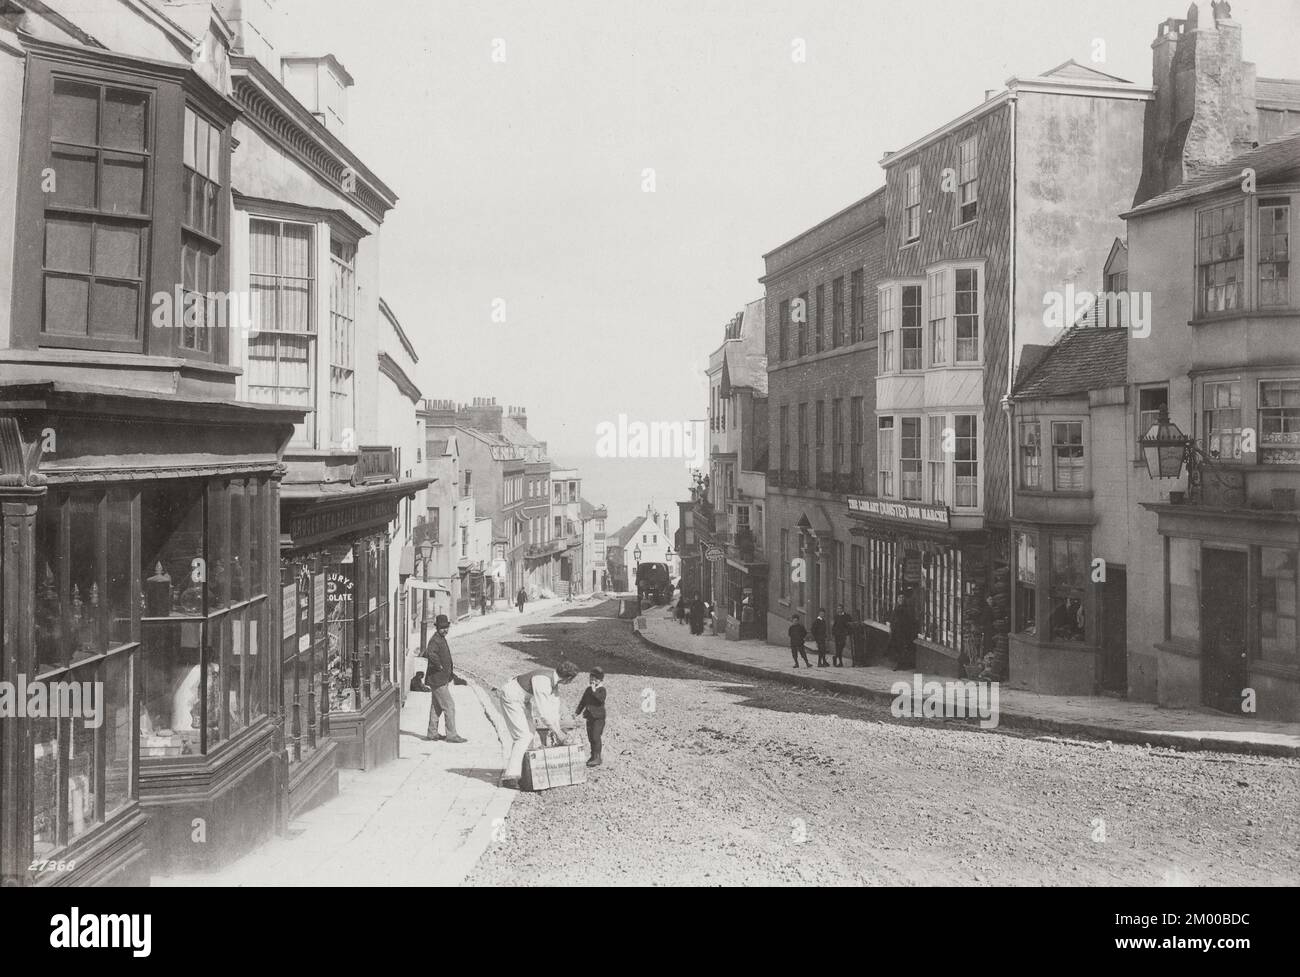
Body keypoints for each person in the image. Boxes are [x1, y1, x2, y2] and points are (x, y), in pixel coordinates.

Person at [495, 660, 580, 788]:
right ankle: (510, 777)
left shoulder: (553, 681)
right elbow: (544, 713)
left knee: (530, 733)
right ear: (568, 678)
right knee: (523, 736)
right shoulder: (543, 682)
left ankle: (524, 771)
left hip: (522, 700)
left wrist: (557, 730)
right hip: (511, 698)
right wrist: (559, 734)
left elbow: (554, 708)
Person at [425, 614, 468, 743]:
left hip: (440, 679)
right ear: (437, 627)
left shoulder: (441, 638)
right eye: (442, 627)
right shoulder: (435, 640)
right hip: (438, 680)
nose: (445, 630)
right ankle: (451, 735)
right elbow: (430, 653)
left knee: (436, 707)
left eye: (446, 627)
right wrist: (439, 665)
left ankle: (432, 733)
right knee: (449, 706)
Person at [574, 667, 607, 767]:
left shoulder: (602, 690)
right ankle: (592, 756)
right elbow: (583, 701)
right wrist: (577, 712)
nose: (592, 681)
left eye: (595, 679)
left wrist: (594, 690)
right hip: (589, 717)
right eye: (591, 678)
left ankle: (598, 757)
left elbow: (600, 700)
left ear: (600, 680)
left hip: (598, 718)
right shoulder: (588, 690)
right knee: (590, 737)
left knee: (596, 736)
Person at [888, 594, 918, 670]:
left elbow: (908, 621)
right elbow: (892, 618)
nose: (900, 600)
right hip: (896, 631)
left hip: (903, 632)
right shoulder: (896, 607)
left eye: (902, 598)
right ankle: (898, 663)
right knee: (896, 648)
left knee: (902, 648)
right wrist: (891, 628)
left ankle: (900, 664)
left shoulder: (906, 609)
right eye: (899, 598)